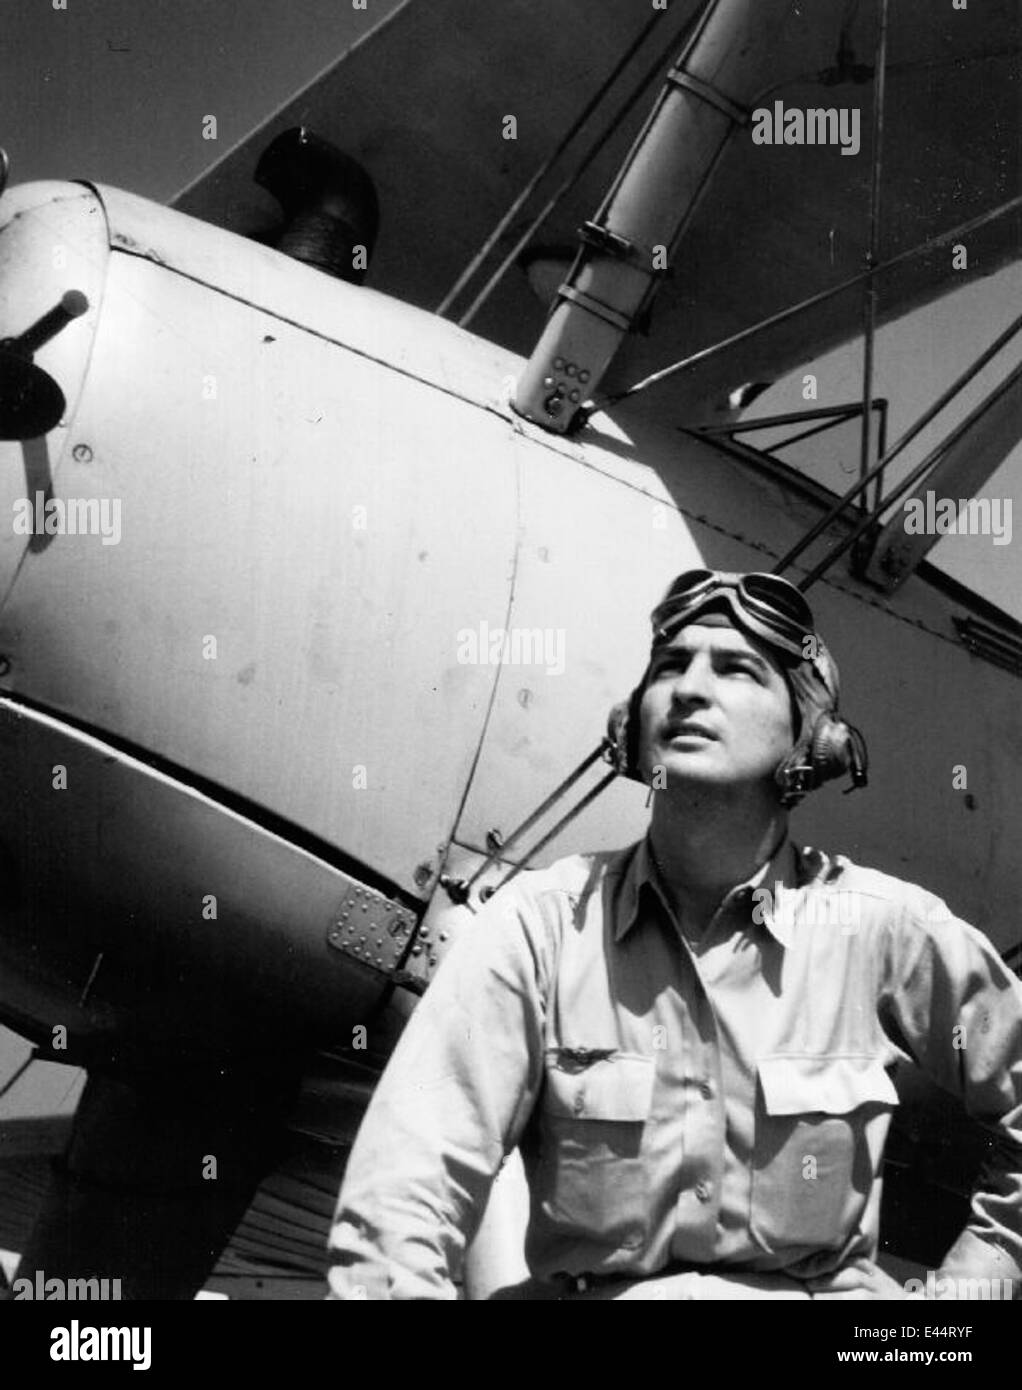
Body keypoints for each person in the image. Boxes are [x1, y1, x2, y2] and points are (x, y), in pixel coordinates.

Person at [326, 570, 1022, 1300]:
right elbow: (404, 1191)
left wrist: (960, 1302)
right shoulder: (539, 926)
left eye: (736, 670)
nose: (690, 688)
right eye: (669, 667)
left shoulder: (884, 930)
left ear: (810, 738)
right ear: (631, 725)